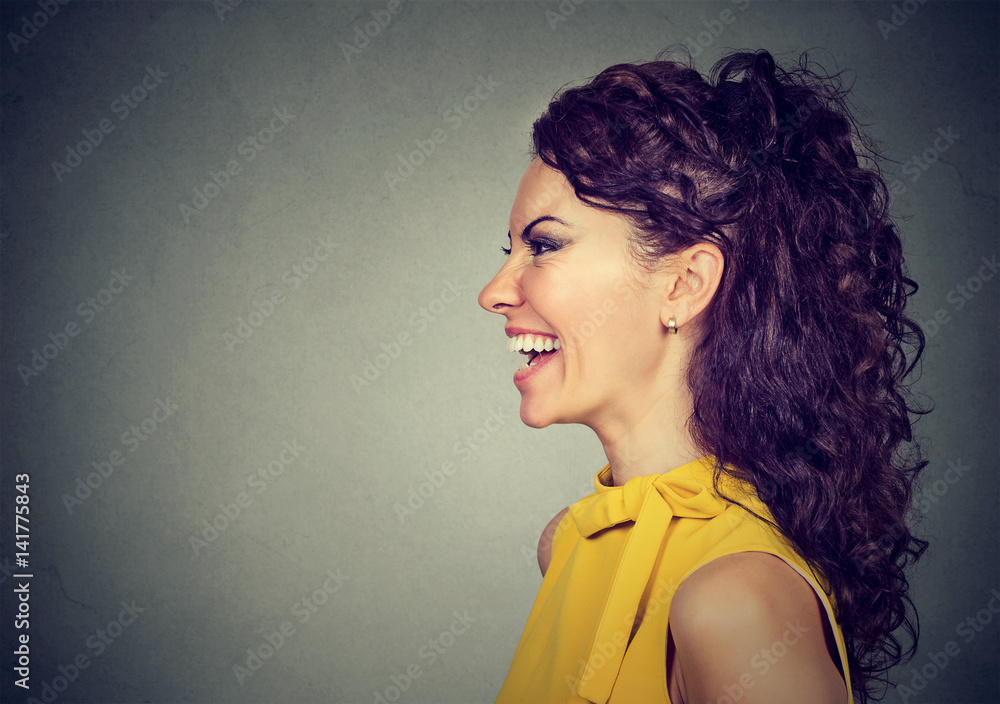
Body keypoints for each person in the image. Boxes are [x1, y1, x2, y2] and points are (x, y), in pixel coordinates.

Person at [478, 49, 928, 704]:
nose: (494, 291)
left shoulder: (736, 600)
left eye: (544, 245)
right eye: (510, 250)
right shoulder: (572, 544)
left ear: (685, 285)